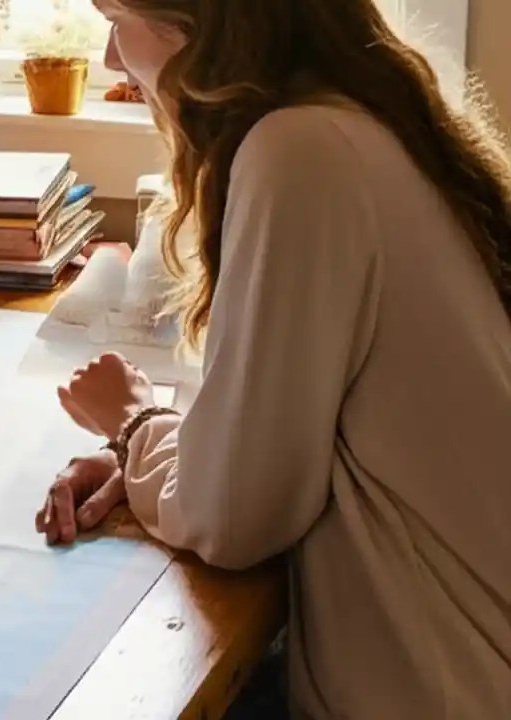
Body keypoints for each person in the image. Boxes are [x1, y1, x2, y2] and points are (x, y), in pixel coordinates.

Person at [38, 0, 511, 718]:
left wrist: (134, 425)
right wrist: (164, 458)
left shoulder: (301, 152)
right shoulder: (368, 123)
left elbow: (237, 518)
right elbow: (277, 439)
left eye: (116, 18)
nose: (110, 58)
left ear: (196, 22)